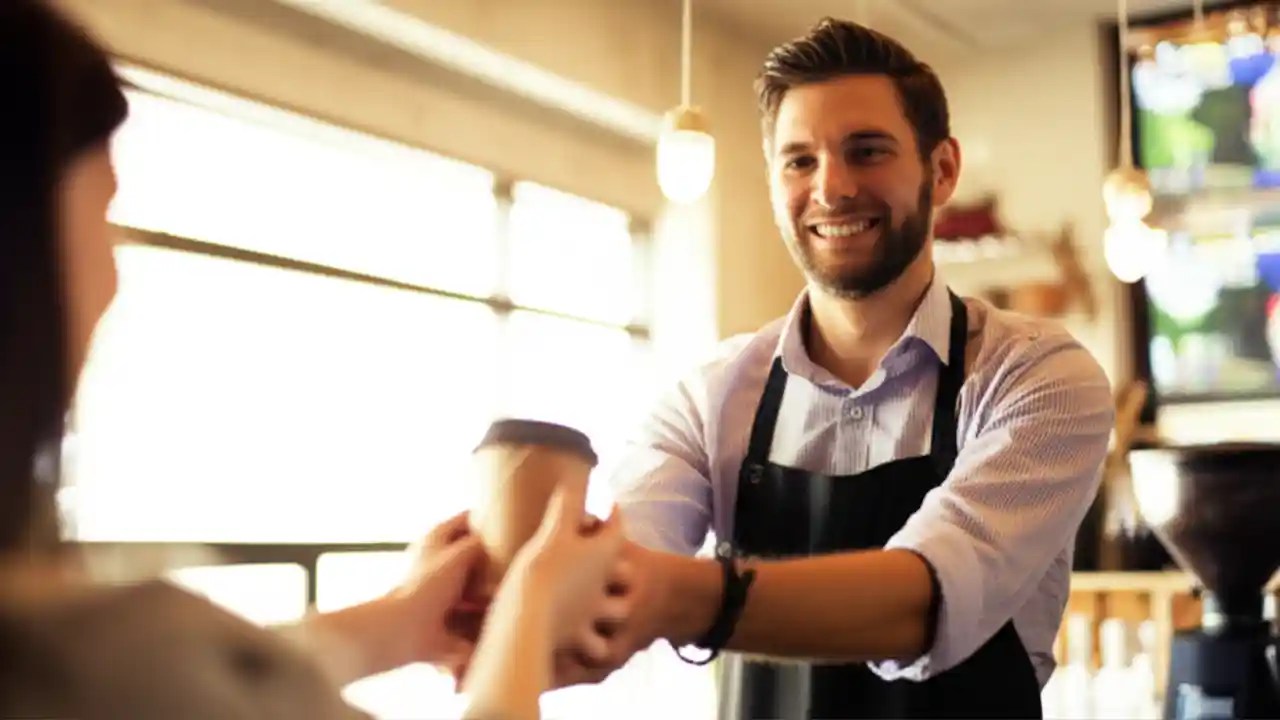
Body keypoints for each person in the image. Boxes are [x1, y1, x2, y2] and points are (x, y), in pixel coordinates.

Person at [0, 2, 624, 719]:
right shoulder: (74, 650)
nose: (117, 266)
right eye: (105, 215)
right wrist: (533, 606)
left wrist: (397, 623)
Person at [538, 17, 1117, 720]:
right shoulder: (712, 395)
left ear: (941, 170)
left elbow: (928, 596)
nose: (832, 188)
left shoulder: (1036, 378)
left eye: (866, 151)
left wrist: (669, 595)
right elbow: (622, 568)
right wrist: (549, 589)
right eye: (800, 160)